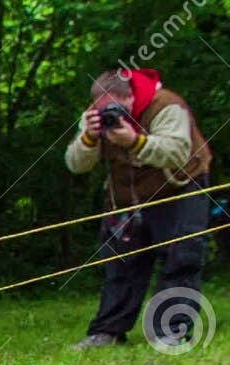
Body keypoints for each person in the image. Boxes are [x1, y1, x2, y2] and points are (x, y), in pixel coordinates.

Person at [66, 68, 214, 350]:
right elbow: (75, 164)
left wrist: (134, 141)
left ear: (132, 96)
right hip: (128, 196)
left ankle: (170, 333)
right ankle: (107, 332)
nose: (113, 116)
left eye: (119, 109)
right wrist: (89, 138)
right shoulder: (94, 118)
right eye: (105, 110)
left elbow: (178, 153)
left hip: (179, 186)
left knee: (181, 256)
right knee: (122, 262)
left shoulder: (168, 106)